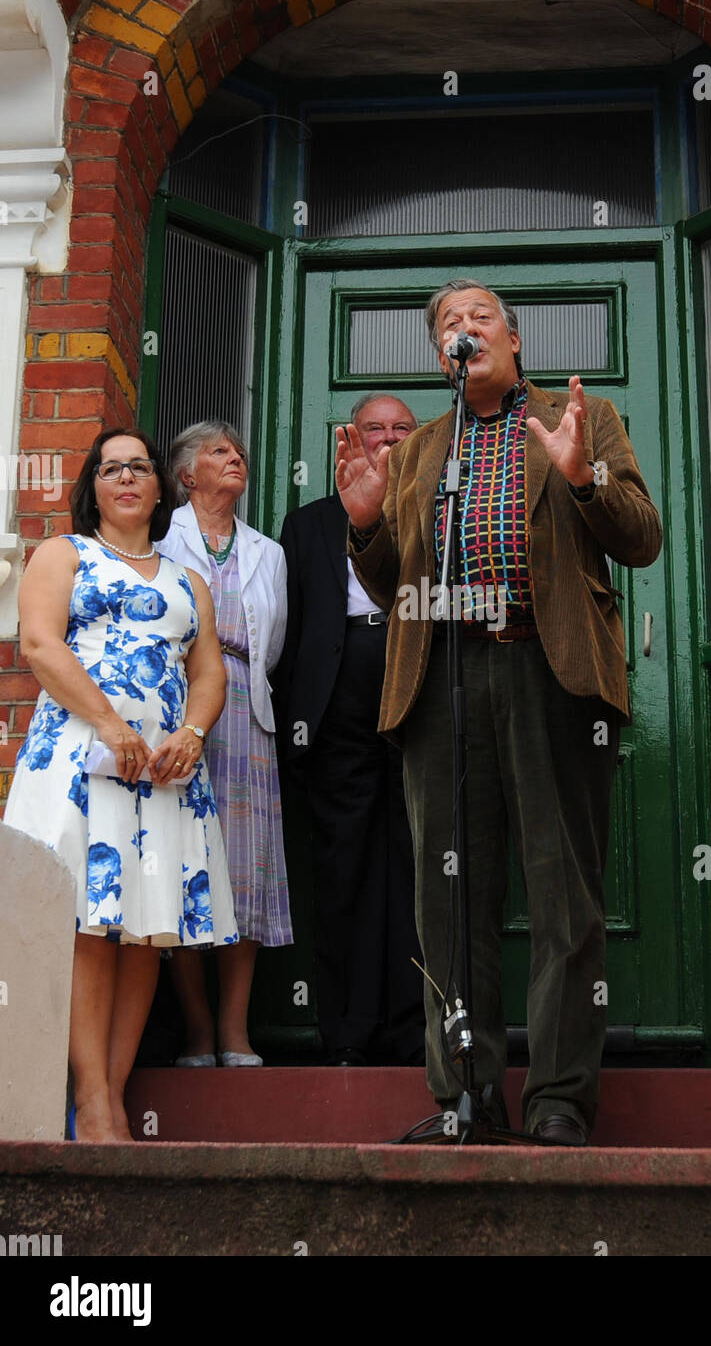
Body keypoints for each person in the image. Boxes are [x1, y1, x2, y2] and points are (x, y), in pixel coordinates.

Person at [336, 280, 662, 1144]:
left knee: (564, 899)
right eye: (450, 323)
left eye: (480, 318)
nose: (465, 329)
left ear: (513, 340)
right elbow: (389, 583)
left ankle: (558, 1100)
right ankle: (466, 1098)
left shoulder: (583, 419)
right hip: (440, 680)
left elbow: (643, 537)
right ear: (439, 353)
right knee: (449, 903)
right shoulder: (417, 452)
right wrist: (366, 529)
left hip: (549, 674)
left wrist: (582, 477)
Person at [5, 427, 238, 1142]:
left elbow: (210, 673)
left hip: (161, 778)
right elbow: (40, 643)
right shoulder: (64, 554)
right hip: (83, 761)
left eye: (139, 466)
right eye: (111, 469)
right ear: (93, 487)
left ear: (160, 485)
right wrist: (109, 724)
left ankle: (108, 1092)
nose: (127, 478)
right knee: (87, 925)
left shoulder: (185, 580)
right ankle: (95, 1106)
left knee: (145, 929)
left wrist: (192, 735)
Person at [276, 394, 424, 1066]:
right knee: (344, 868)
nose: (388, 440)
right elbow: (292, 631)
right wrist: (294, 721)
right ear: (351, 440)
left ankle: (411, 1028)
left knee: (420, 864)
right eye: (375, 430)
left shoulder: (437, 509)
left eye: (402, 430)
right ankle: (347, 1033)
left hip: (418, 699)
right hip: (336, 708)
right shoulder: (307, 526)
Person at [156, 421, 292, 1067]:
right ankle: (198, 1033)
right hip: (179, 705)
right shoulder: (161, 543)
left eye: (239, 451)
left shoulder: (268, 550)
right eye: (219, 452)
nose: (236, 458)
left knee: (245, 874)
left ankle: (236, 1033)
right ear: (187, 475)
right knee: (186, 867)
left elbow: (278, 642)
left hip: (246, 709)